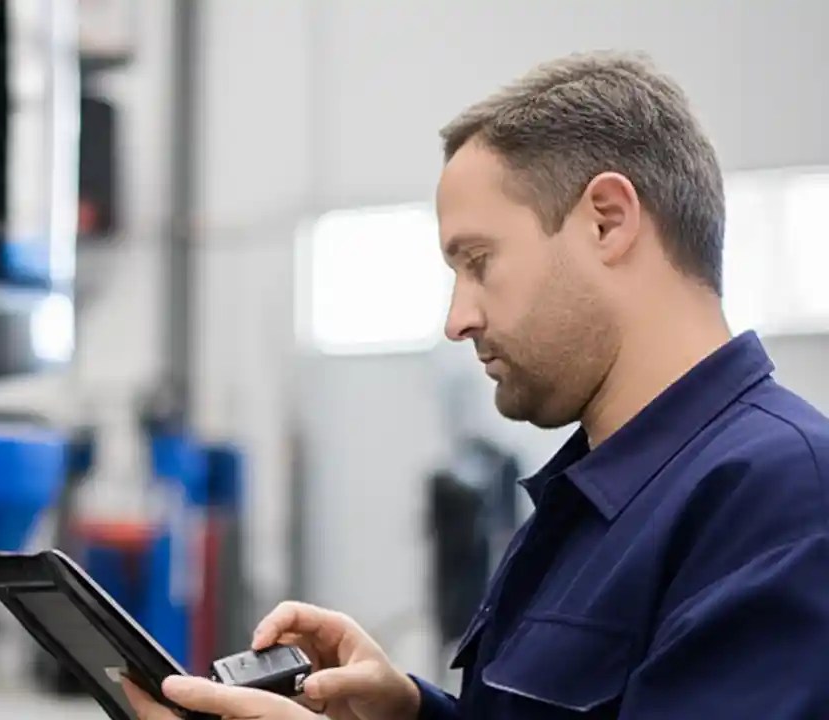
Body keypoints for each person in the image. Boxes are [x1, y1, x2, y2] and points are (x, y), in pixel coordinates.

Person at [124, 50, 829, 719]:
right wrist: (409, 711)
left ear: (606, 221)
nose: (458, 319)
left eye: (479, 261)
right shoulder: (585, 507)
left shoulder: (784, 499)